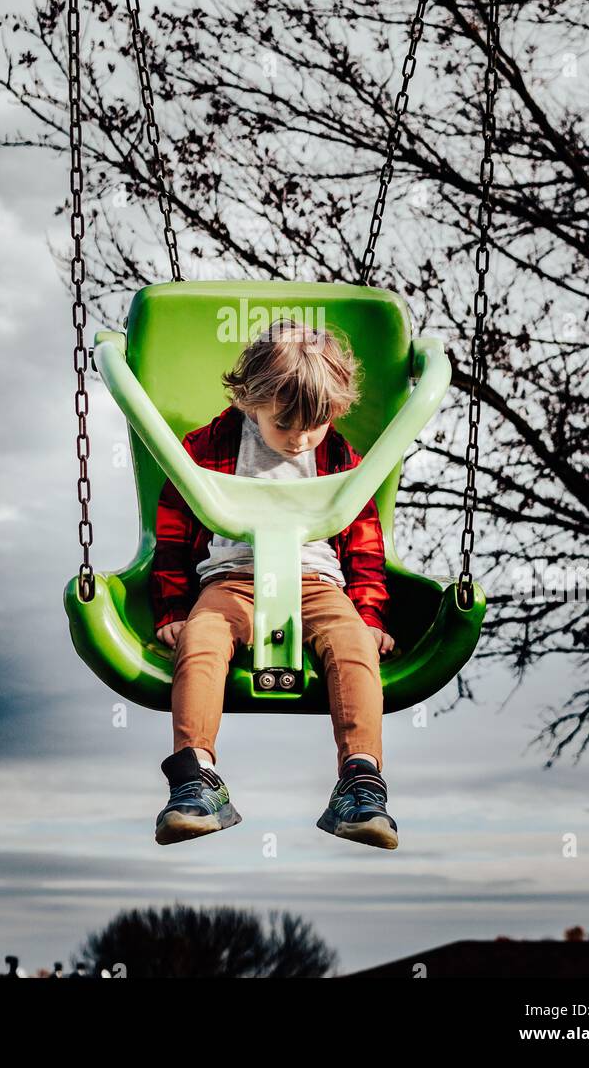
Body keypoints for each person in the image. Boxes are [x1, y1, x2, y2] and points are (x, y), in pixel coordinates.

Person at [150, 318, 398, 850]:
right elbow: (171, 534)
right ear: (250, 400)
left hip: (317, 583)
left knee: (354, 645)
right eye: (285, 425)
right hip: (231, 580)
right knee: (201, 642)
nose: (301, 439)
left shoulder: (338, 457)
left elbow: (364, 541)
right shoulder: (204, 449)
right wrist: (172, 607)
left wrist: (370, 615)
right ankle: (195, 777)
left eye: (316, 424)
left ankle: (360, 779)